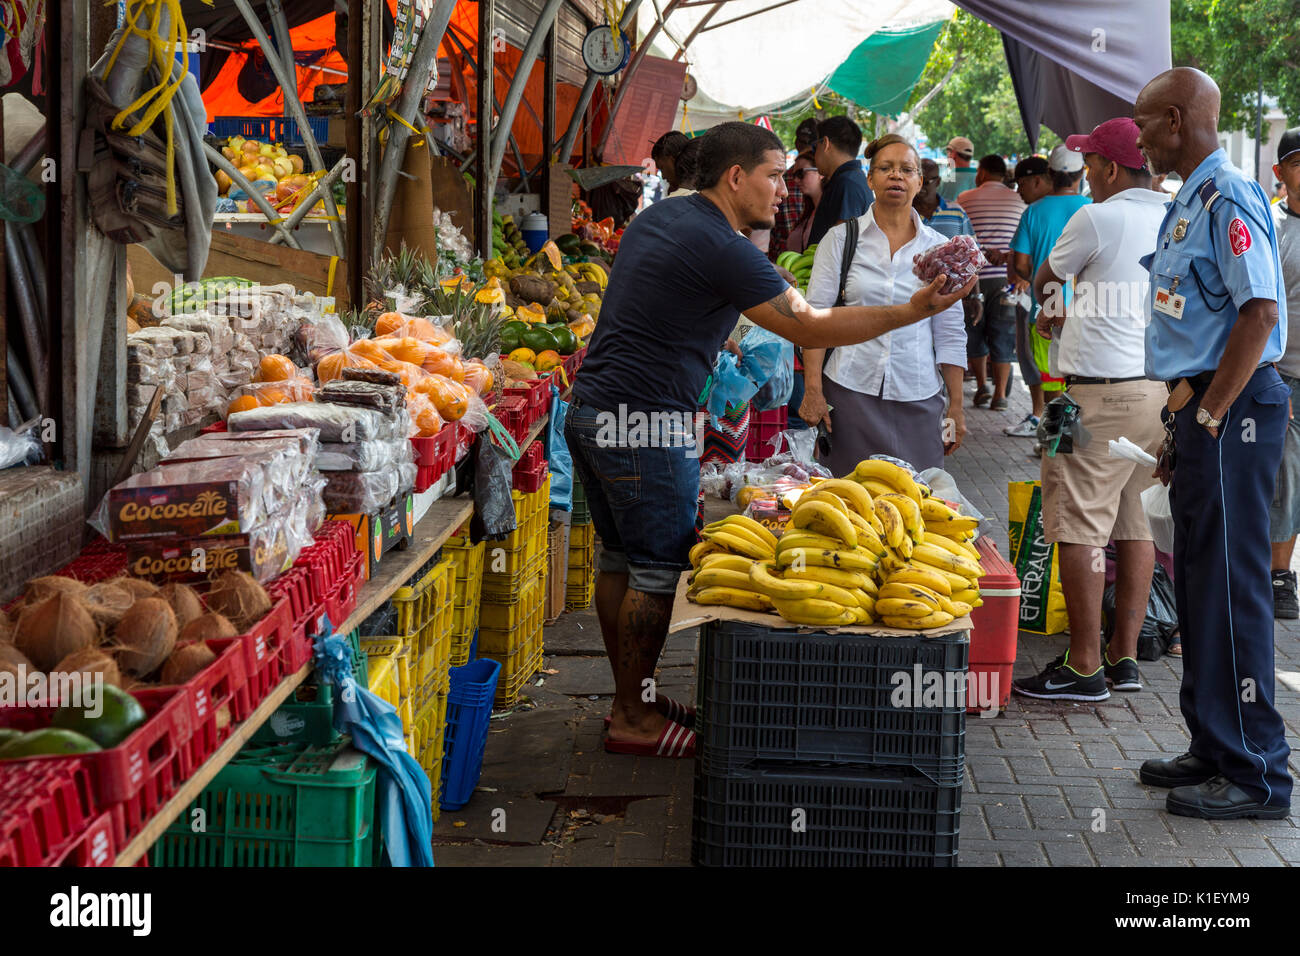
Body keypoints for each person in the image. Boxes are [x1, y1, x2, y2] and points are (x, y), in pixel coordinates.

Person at [565, 121, 973, 759]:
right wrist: (913, 310)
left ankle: (633, 701)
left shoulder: (660, 218)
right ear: (735, 177)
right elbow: (810, 324)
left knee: (619, 560)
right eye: (775, 174)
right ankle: (633, 720)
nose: (784, 188)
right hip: (648, 424)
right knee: (653, 573)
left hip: (592, 411)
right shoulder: (725, 247)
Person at [1134, 67, 1291, 820]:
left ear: (1173, 119)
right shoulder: (1188, 202)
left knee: (1232, 591)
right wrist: (1184, 423)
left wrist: (1209, 415)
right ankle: (1213, 744)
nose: (1137, 140)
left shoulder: (1227, 196)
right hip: (1204, 414)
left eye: (1142, 126)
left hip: (1234, 414)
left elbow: (1259, 313)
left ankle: (1259, 773)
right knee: (1200, 586)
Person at [1011, 118, 1170, 702]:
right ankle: (1123, 656)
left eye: (1091, 166)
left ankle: (1083, 667)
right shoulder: (1173, 214)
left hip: (1090, 397)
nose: (1087, 176)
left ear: (1106, 168)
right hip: (1159, 395)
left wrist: (1052, 311)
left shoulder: (1095, 215)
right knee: (1135, 525)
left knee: (1076, 523)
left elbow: (1048, 277)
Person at [798, 134, 968, 474]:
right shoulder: (841, 239)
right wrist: (813, 390)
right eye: (886, 168)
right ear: (870, 178)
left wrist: (957, 407)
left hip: (918, 395)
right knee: (848, 504)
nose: (896, 176)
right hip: (848, 395)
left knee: (918, 504)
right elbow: (814, 320)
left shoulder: (940, 249)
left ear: (919, 181)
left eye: (907, 169)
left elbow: (950, 332)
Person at [1007, 146, 1091, 438]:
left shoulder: (1033, 212)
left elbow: (1019, 263)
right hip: (1085, 311)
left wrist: (1035, 279)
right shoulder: (1092, 208)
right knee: (1076, 378)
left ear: (1050, 175)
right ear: (1083, 173)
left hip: (1045, 308)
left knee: (1050, 378)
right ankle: (1065, 435)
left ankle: (1054, 437)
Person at [958, 154, 1024, 411]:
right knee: (1004, 334)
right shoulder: (1020, 200)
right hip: (1006, 279)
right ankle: (1000, 395)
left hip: (973, 277)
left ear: (983, 173)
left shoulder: (964, 199)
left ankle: (982, 387)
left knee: (974, 331)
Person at [1267, 127, 1300, 617]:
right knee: (1286, 479)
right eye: (1298, 163)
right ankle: (1279, 575)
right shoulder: (1270, 228)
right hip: (1285, 375)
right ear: (1280, 173)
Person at [807, 115, 871, 246]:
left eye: (814, 147)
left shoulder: (848, 183)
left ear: (825, 143)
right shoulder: (851, 179)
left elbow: (841, 246)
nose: (814, 155)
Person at [771, 118, 819, 257]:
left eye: (813, 144)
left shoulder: (834, 186)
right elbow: (789, 229)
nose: (808, 148)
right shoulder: (788, 179)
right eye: (805, 143)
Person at [784, 150, 822, 254]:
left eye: (800, 173)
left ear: (821, 172)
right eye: (794, 175)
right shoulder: (809, 211)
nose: (795, 180)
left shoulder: (828, 213)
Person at [939, 135, 977, 201]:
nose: (947, 156)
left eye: (948, 152)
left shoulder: (946, 181)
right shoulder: (982, 178)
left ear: (953, 154)